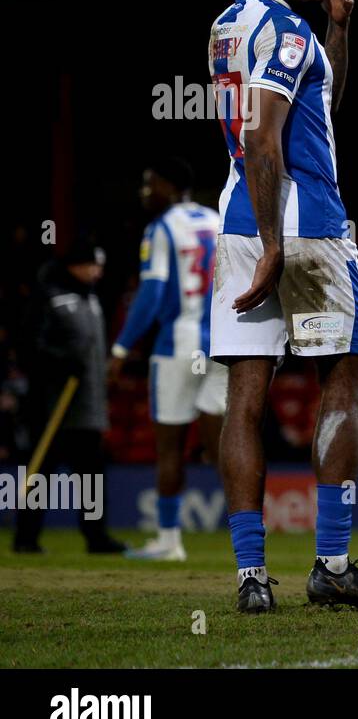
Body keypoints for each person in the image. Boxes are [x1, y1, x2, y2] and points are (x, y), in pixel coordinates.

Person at [206, 0, 358, 613]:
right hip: (303, 224)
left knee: (245, 398)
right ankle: (334, 565)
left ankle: (252, 578)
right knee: (343, 379)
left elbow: (319, 108)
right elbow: (263, 138)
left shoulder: (230, 26)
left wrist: (337, 31)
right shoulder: (282, 30)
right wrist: (278, 244)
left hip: (237, 220)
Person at [109, 159, 226, 561]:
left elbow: (152, 294)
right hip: (221, 344)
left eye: (150, 182)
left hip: (178, 344)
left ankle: (169, 541)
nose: (145, 190)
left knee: (170, 448)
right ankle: (248, 539)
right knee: (225, 448)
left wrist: (121, 348)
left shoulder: (160, 229)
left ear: (170, 186)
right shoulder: (216, 219)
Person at [14, 240, 124, 554]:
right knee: (40, 475)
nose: (98, 273)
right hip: (52, 407)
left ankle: (96, 538)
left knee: (91, 478)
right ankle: (26, 538)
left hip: (86, 406)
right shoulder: (47, 296)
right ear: (74, 266)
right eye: (93, 265)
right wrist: (60, 361)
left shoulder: (91, 298)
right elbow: (29, 347)